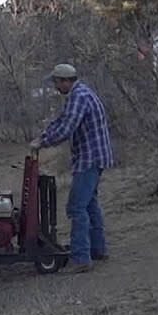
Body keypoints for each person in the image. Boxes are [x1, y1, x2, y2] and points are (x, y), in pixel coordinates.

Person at [30, 63, 114, 273]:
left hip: (90, 158)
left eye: (57, 82)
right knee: (89, 203)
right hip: (94, 157)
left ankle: (81, 258)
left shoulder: (80, 97)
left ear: (66, 81)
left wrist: (43, 143)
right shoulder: (78, 95)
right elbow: (62, 120)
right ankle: (98, 248)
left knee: (76, 207)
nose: (56, 86)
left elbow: (67, 128)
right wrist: (44, 135)